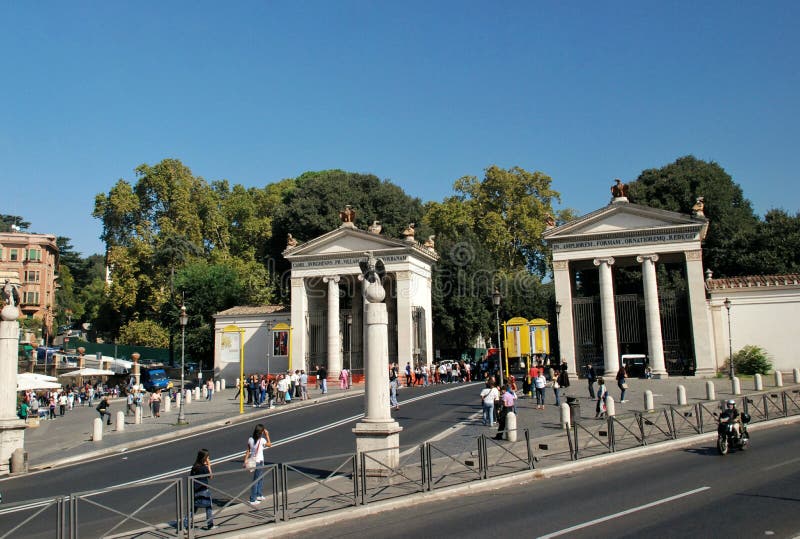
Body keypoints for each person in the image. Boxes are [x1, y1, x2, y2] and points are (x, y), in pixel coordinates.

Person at [186, 449, 216, 530]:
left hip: (196, 490)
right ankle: (210, 525)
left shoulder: (194, 467)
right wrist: (209, 465)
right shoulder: (203, 468)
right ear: (204, 458)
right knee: (209, 507)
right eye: (208, 458)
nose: (209, 459)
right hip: (204, 490)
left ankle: (185, 524)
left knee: (193, 508)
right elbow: (210, 476)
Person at [244, 424, 272, 505]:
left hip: (254, 461)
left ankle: (259, 495)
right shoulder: (262, 440)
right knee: (256, 480)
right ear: (262, 432)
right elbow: (270, 444)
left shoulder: (250, 439)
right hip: (259, 462)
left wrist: (245, 460)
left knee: (260, 478)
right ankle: (253, 499)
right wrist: (267, 435)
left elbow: (248, 450)